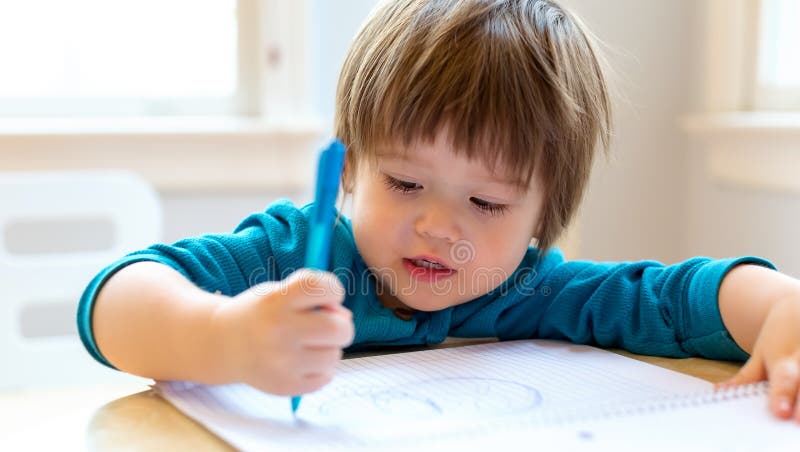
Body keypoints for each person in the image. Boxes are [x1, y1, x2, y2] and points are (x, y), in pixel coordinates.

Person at [78, 0, 800, 420]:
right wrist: (225, 335)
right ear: (351, 167)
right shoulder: (289, 258)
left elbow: (673, 301)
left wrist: (781, 312)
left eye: (487, 202)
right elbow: (113, 300)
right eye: (405, 183)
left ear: (541, 222)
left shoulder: (525, 288)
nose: (438, 227)